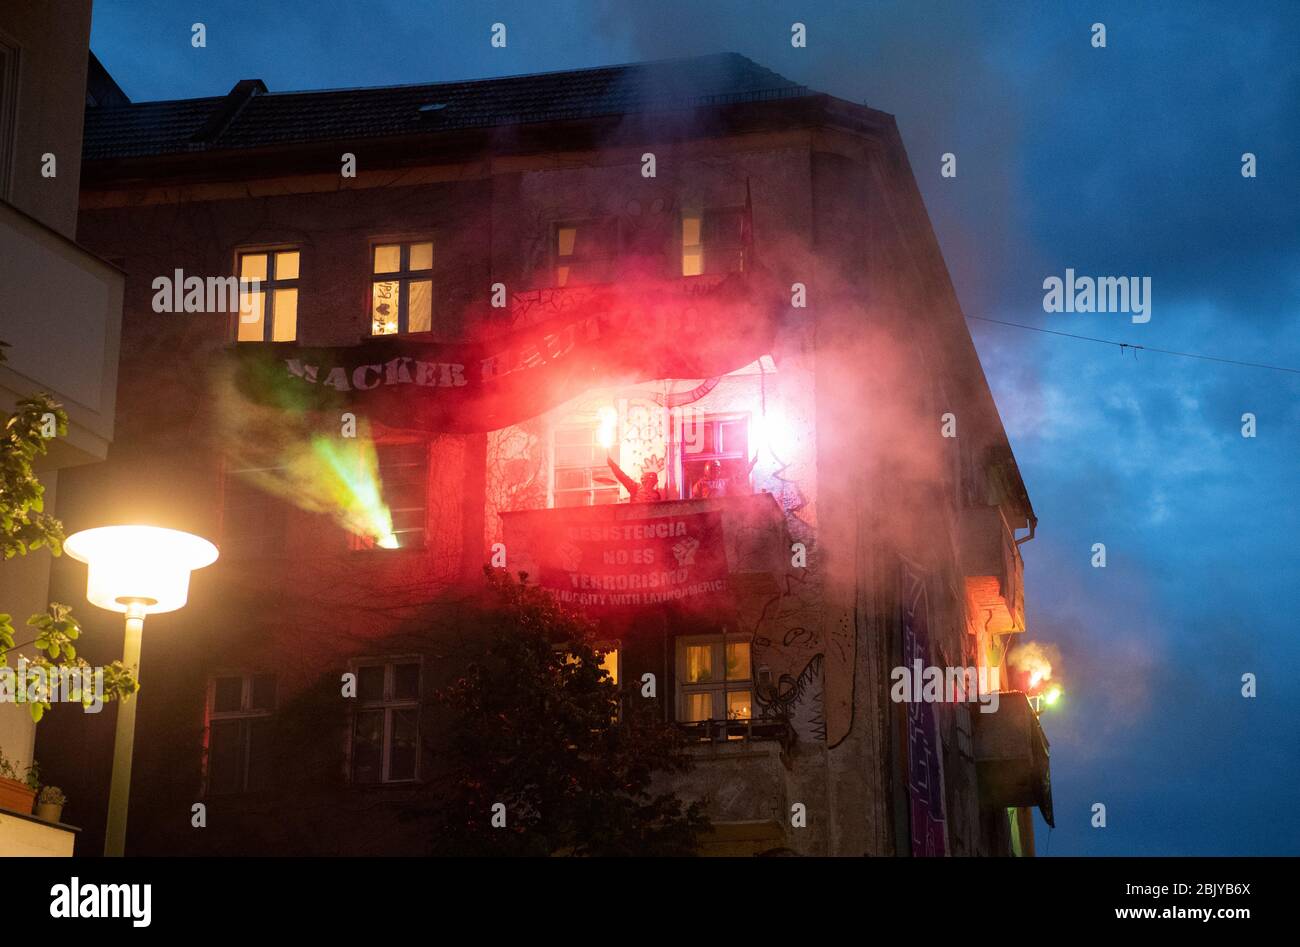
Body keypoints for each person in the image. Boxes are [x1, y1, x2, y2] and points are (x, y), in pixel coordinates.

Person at [691, 455, 759, 499]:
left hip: (721, 511)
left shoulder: (724, 482)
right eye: (713, 469)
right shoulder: (700, 484)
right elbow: (694, 503)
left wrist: (752, 463)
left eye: (717, 469)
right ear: (707, 470)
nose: (716, 472)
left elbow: (740, 477)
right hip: (707, 514)